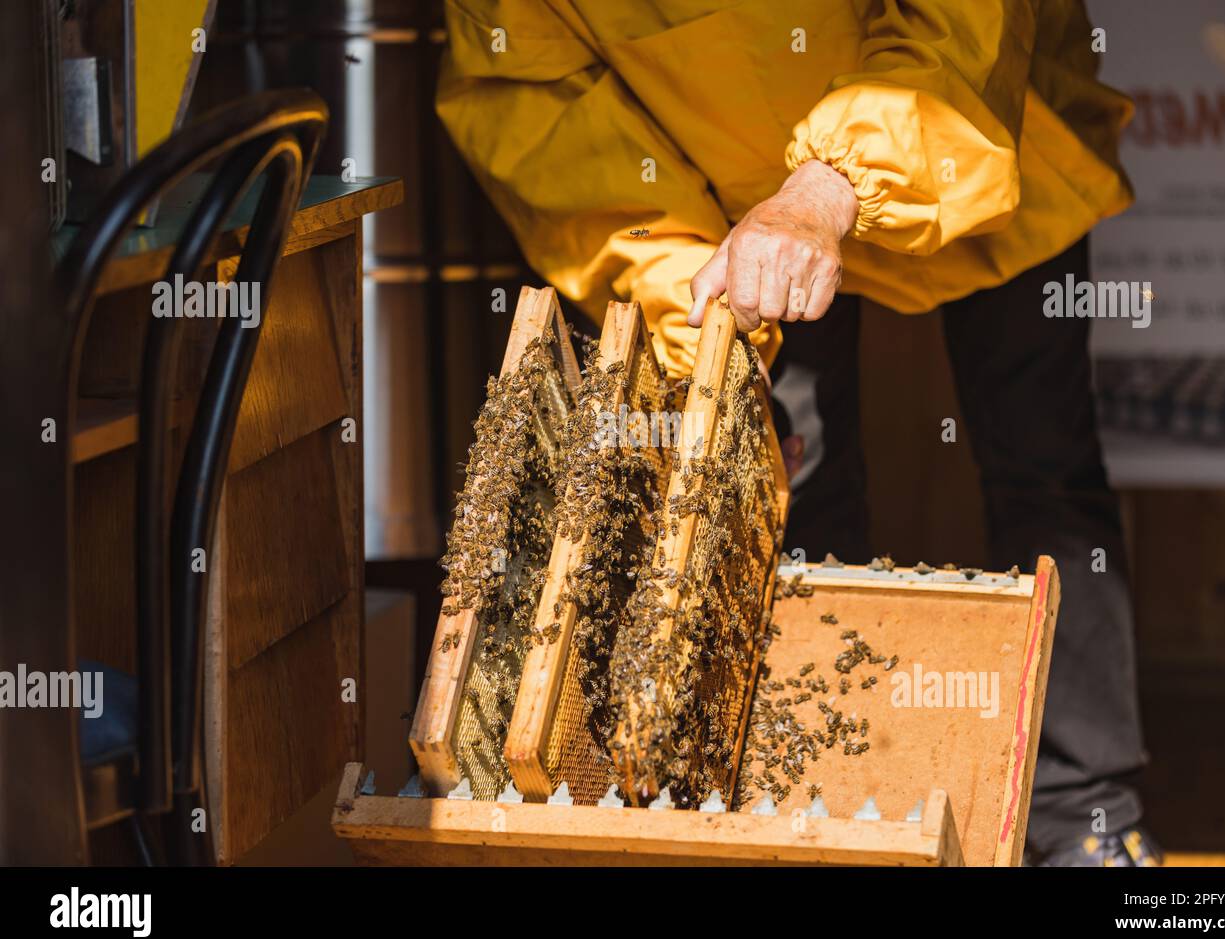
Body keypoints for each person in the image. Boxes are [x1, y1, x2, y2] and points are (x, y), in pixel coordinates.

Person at [437, 0, 1160, 865]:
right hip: (742, 212)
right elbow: (560, 138)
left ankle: (1085, 821)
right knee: (792, 489)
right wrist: (708, 344)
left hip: (980, 137)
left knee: (1044, 467)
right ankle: (826, 816)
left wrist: (827, 188)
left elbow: (963, 29)